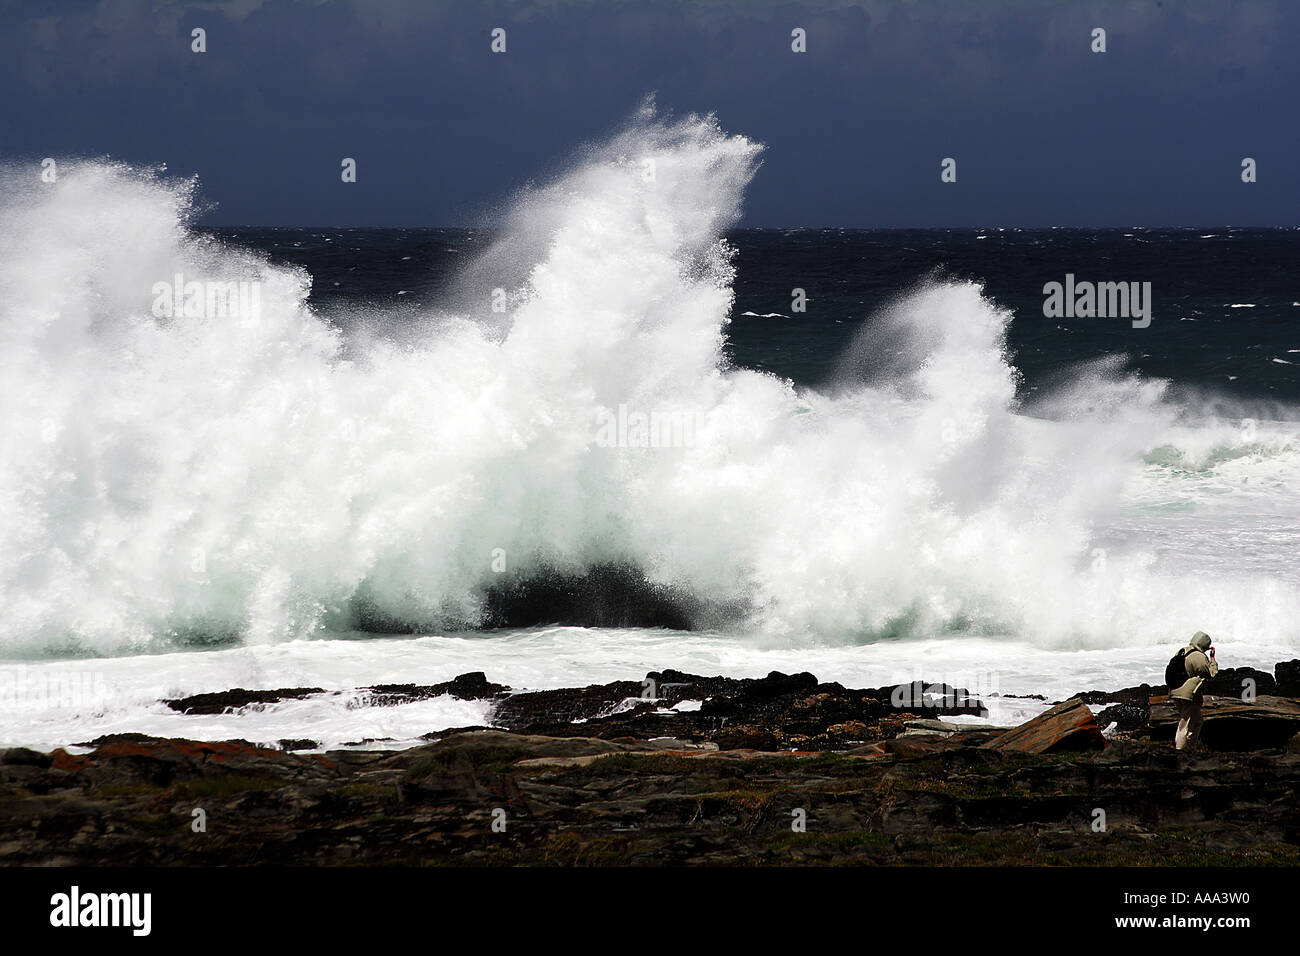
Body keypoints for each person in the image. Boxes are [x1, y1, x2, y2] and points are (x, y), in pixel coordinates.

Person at [1169, 631, 1218, 752]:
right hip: (1188, 694)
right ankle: (1180, 751)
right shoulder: (1198, 656)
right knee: (1186, 724)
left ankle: (1190, 749)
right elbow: (1211, 673)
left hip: (1175, 691)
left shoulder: (1182, 651)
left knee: (1196, 721)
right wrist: (1212, 657)